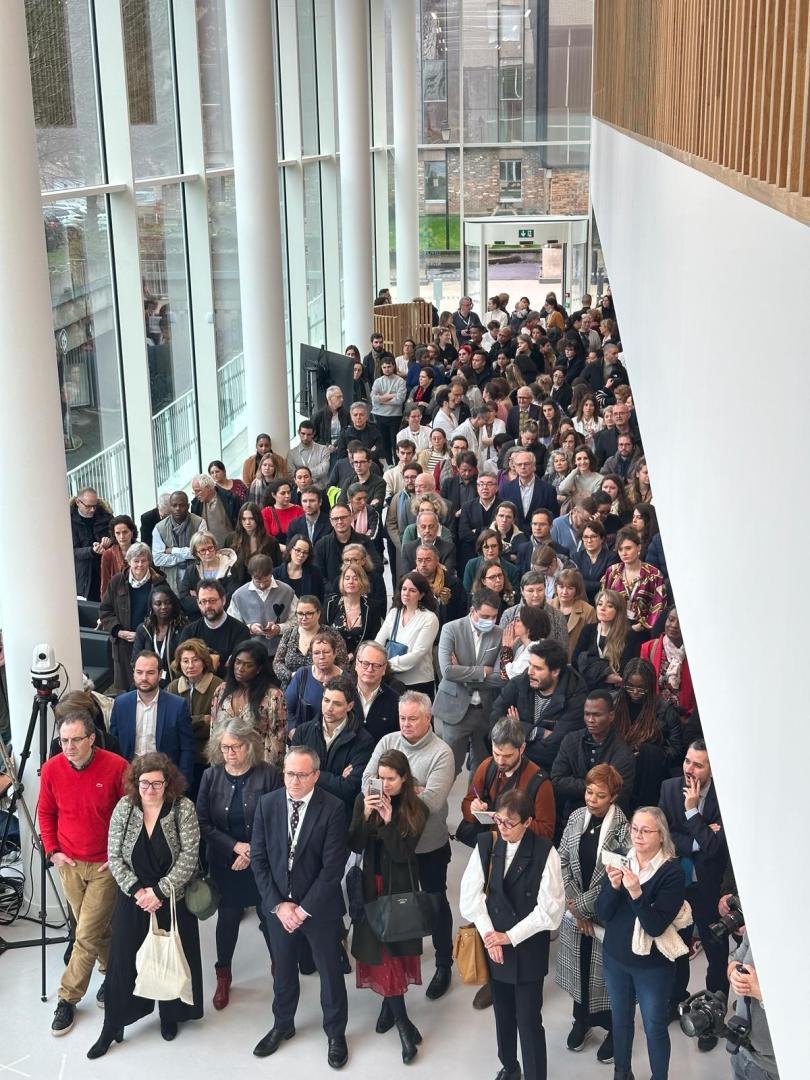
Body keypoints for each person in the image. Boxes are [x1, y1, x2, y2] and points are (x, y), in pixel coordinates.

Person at [86, 753, 203, 1058]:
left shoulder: (183, 809)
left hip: (171, 898)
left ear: (169, 783)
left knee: (173, 959)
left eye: (157, 783)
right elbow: (115, 856)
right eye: (144, 783)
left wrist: (160, 892)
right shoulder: (125, 808)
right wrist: (139, 891)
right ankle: (113, 1025)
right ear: (134, 783)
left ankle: (170, 1015)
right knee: (122, 963)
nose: (150, 789)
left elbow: (189, 858)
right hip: (134, 897)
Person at [250, 746, 350, 1069]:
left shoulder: (333, 809)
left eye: (301, 775)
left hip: (318, 910)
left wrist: (302, 910)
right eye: (289, 774)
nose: (293, 781)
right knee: (283, 970)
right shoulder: (268, 805)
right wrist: (279, 906)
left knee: (330, 973)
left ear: (316, 776)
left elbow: (333, 869)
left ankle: (335, 1033)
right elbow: (260, 860)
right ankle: (283, 1024)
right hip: (279, 908)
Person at [459, 787, 565, 1080]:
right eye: (499, 821)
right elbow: (470, 896)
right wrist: (490, 934)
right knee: (503, 1013)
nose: (503, 828)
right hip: (495, 943)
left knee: (529, 1019)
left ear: (528, 822)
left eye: (510, 823)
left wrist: (510, 936)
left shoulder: (546, 852)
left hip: (528, 946)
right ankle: (510, 1065)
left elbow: (551, 910)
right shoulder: (486, 843)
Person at [38, 709, 128, 1037]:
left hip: (105, 865)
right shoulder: (51, 769)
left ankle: (67, 998)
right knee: (98, 929)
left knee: (85, 933)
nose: (70, 746)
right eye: (64, 740)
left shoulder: (117, 766)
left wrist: (118, 857)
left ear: (91, 738)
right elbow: (46, 812)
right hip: (69, 864)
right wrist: (53, 851)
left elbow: (132, 815)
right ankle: (114, 972)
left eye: (77, 739)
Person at [363, 692, 455, 1000]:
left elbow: (433, 800)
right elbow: (367, 781)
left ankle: (444, 963)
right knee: (397, 904)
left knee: (435, 903)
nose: (406, 724)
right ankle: (399, 967)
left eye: (413, 718)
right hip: (390, 846)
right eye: (402, 717)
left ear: (428, 718)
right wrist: (410, 788)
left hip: (428, 845)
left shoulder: (441, 753)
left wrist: (393, 793)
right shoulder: (388, 742)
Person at [196, 717, 282, 1010]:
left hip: (262, 861)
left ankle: (279, 967)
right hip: (225, 862)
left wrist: (250, 853)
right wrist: (235, 848)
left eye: (235, 747)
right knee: (228, 920)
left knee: (269, 917)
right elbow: (203, 823)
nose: (229, 752)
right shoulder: (211, 776)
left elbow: (275, 819)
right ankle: (224, 975)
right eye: (224, 747)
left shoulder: (268, 774)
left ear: (249, 746)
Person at [349, 749, 429, 1063]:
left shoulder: (415, 808)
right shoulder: (363, 801)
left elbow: (402, 854)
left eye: (390, 779)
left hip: (400, 892)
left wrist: (386, 821)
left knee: (392, 956)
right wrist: (368, 817)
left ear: (404, 778)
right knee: (385, 957)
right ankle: (402, 1021)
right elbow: (354, 844)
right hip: (372, 888)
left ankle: (399, 1020)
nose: (384, 785)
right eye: (380, 778)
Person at [596, 806, 687, 1080]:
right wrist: (613, 888)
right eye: (635, 829)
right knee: (621, 1021)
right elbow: (603, 912)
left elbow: (655, 926)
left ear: (661, 835)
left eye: (646, 830)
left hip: (652, 966)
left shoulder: (672, 873)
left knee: (654, 1026)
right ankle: (621, 1073)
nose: (638, 835)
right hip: (616, 957)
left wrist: (635, 893)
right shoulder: (622, 860)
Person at [556, 764, 631, 1064]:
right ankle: (582, 1020)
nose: (592, 799)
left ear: (613, 796)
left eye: (600, 795)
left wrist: (581, 907)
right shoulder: (576, 817)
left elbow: (614, 881)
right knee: (580, 967)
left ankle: (615, 1029)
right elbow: (561, 858)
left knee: (607, 976)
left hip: (605, 914)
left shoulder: (624, 830)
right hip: (577, 915)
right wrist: (574, 904)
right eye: (589, 792)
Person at [659, 740, 730, 1039]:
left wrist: (691, 813)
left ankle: (711, 1017)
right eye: (688, 761)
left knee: (715, 955)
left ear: (712, 768)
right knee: (678, 948)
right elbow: (664, 835)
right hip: (679, 885)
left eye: (698, 764)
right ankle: (677, 1000)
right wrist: (700, 836)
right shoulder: (669, 787)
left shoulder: (725, 795)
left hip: (711, 889)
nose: (689, 769)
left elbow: (717, 849)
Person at [433, 589, 504, 776]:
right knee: (448, 769)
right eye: (484, 616)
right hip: (455, 711)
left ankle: (472, 805)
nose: (489, 621)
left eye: (494, 616)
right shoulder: (451, 629)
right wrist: (484, 672)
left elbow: (500, 678)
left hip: (485, 712)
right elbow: (447, 671)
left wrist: (463, 674)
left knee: (482, 771)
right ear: (473, 611)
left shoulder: (499, 633)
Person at [490, 640, 589, 771]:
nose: (530, 671)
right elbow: (494, 724)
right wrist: (539, 733)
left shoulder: (576, 696)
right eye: (530, 664)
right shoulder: (519, 683)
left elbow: (557, 749)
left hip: (551, 773)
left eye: (538, 668)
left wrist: (516, 729)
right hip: (512, 767)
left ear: (555, 672)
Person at [290, 675, 374, 820]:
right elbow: (293, 777)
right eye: (326, 700)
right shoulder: (302, 732)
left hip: (339, 815)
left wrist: (309, 773)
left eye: (337, 704)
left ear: (350, 706)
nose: (329, 708)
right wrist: (337, 779)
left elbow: (350, 789)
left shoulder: (363, 740)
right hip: (304, 809)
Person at [109, 651, 195, 784]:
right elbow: (113, 744)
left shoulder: (177, 705)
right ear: (133, 673)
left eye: (150, 673)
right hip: (129, 776)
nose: (144, 677)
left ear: (160, 674)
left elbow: (187, 748)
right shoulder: (121, 704)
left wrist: (182, 782)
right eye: (139, 672)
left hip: (166, 778)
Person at [551, 691, 637, 821]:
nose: (590, 720)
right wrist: (598, 790)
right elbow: (557, 780)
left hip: (608, 820)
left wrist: (578, 788)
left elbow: (619, 795)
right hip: (571, 817)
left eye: (597, 715)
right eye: (587, 714)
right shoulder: (571, 741)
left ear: (611, 716)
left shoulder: (623, 753)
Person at [612, 658, 684, 808]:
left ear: (650, 686)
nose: (635, 692)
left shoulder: (665, 711)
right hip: (616, 767)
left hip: (648, 775)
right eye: (630, 687)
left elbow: (676, 750)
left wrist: (647, 752)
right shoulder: (614, 703)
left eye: (641, 688)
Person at [99, 542, 167, 691]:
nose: (140, 565)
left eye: (144, 560)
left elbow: (167, 613)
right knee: (127, 688)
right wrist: (118, 631)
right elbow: (105, 610)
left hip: (150, 643)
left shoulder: (159, 583)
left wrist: (148, 633)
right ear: (129, 562)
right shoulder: (117, 581)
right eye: (136, 561)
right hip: (123, 644)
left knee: (149, 685)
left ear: (149, 561)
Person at [210, 641, 287, 769]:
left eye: (248, 665)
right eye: (238, 662)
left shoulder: (273, 696)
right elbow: (214, 732)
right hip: (225, 767)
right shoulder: (221, 691)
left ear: (259, 669)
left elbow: (277, 741)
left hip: (257, 768)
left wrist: (267, 775)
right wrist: (216, 769)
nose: (240, 668)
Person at [166, 638, 223, 797]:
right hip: (178, 757)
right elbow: (170, 725)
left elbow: (218, 726)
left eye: (195, 660)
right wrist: (201, 720)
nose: (190, 666)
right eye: (185, 661)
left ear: (205, 661)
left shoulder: (219, 686)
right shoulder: (173, 686)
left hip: (205, 757)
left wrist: (186, 724)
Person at [375, 573, 440, 696]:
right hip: (392, 680)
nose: (406, 593)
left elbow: (417, 654)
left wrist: (384, 666)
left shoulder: (429, 618)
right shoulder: (394, 613)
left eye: (412, 590)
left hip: (419, 682)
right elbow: (378, 643)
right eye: (404, 589)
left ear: (421, 595)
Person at [727, 933, 778, 1080]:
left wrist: (761, 993)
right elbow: (738, 957)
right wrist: (733, 974)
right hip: (742, 1048)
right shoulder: (761, 920)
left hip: (773, 1066)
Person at [226, 553, 297, 659]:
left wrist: (279, 628)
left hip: (281, 652)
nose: (262, 585)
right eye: (258, 581)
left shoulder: (287, 591)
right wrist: (250, 628)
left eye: (266, 581)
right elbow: (231, 625)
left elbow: (298, 620)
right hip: (250, 653)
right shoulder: (239, 595)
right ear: (251, 576)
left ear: (271, 573)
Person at [177, 579, 251, 678]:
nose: (208, 606)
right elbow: (181, 665)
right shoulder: (189, 631)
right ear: (198, 603)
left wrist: (201, 663)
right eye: (203, 601)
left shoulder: (240, 630)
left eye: (212, 601)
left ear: (223, 600)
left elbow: (238, 669)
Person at [573, 588, 642, 691]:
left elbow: (624, 670)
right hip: (587, 688)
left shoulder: (628, 635)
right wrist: (604, 675)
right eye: (600, 604)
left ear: (618, 611)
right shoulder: (588, 630)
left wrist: (592, 667)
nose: (602, 608)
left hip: (614, 691)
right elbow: (576, 661)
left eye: (609, 606)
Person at [273, 595, 347, 690]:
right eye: (300, 613)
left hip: (324, 688)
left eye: (309, 613)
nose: (304, 618)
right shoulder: (289, 633)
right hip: (291, 687)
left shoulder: (332, 634)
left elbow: (343, 663)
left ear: (319, 613)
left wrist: (329, 680)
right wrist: (293, 676)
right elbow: (277, 662)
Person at [313, 503, 382, 595]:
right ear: (331, 521)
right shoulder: (321, 545)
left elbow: (377, 567)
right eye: (335, 519)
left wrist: (359, 584)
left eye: (343, 517)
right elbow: (318, 576)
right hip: (333, 597)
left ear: (351, 517)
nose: (340, 521)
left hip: (361, 594)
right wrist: (338, 589)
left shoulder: (364, 541)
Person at [284, 630, 347, 731]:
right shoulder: (302, 674)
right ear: (311, 655)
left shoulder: (345, 679)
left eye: (326, 652)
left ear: (335, 653)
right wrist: (292, 730)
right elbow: (286, 707)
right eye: (316, 653)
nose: (321, 657)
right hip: (304, 735)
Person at [640, 606, 696, 718]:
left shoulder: (697, 654)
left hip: (686, 720)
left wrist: (690, 718)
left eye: (680, 622)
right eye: (671, 619)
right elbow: (642, 686)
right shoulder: (649, 648)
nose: (674, 625)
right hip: (656, 718)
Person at [131, 583, 187, 685]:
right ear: (151, 606)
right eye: (158, 603)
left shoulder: (183, 627)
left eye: (167, 603)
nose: (163, 607)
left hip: (175, 682)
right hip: (147, 680)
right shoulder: (143, 629)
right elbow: (135, 659)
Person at [324, 563, 382, 661]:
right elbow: (322, 633)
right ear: (342, 581)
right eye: (347, 578)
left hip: (361, 660)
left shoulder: (372, 607)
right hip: (332, 659)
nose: (351, 582)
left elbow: (374, 638)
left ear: (362, 581)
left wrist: (353, 656)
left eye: (355, 578)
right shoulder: (331, 603)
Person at [151, 491, 203, 594]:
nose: (178, 508)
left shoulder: (199, 523)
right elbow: (158, 559)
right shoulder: (159, 528)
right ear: (170, 506)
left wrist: (173, 550)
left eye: (182, 505)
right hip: (171, 581)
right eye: (174, 505)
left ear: (188, 506)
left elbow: (201, 552)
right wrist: (187, 554)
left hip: (197, 578)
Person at [177, 530, 238, 616]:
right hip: (198, 619)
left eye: (210, 548)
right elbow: (184, 598)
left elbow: (232, 595)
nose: (208, 553)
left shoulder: (229, 566)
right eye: (202, 550)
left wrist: (200, 599)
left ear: (215, 547)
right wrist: (213, 602)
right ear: (195, 553)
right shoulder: (191, 571)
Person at [354, 640, 402, 744]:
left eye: (376, 665)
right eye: (365, 663)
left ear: (384, 669)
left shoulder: (396, 701)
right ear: (357, 664)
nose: (370, 669)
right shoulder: (342, 695)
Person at [225, 502, 282, 589]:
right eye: (244, 519)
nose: (247, 522)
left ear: (258, 519)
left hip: (263, 587)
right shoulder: (231, 539)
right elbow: (224, 566)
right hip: (236, 588)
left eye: (251, 518)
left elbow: (277, 569)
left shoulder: (271, 542)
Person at [70, 487, 113, 601]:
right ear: (78, 502)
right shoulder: (69, 521)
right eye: (88, 506)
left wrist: (109, 540)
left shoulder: (106, 516)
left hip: (106, 568)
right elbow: (71, 551)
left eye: (95, 505)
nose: (93, 509)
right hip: (84, 574)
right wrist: (91, 550)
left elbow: (118, 535)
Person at [551, 568, 596, 657]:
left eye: (570, 588)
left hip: (575, 661)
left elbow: (592, 641)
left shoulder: (588, 610)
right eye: (561, 587)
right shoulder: (547, 606)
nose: (564, 592)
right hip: (550, 659)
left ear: (577, 590)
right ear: (556, 587)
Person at [190, 473, 240, 546]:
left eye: (198, 491)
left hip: (231, 546)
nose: (196, 494)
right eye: (194, 492)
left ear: (207, 487)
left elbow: (239, 523)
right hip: (209, 549)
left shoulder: (230, 499)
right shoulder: (195, 505)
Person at [273, 533, 325, 600]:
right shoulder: (275, 574)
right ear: (291, 549)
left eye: (305, 552)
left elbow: (320, 599)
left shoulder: (315, 573)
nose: (301, 555)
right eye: (298, 550)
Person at [573, 518, 614, 602]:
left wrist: (584, 583)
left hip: (604, 602)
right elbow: (575, 583)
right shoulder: (576, 557)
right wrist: (600, 584)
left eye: (593, 536)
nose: (589, 540)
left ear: (602, 539)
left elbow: (609, 584)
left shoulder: (612, 557)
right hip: (580, 602)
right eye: (585, 537)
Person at [100, 514, 138, 597]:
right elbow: (105, 584)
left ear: (132, 532)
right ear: (114, 534)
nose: (122, 536)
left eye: (125, 532)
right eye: (118, 533)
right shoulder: (108, 554)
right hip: (118, 600)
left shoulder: (141, 550)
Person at [286, 420, 331, 488]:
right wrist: (311, 477)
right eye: (303, 434)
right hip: (300, 491)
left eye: (309, 434)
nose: (305, 437)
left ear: (313, 434)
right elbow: (291, 474)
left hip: (320, 490)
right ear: (298, 432)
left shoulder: (323, 450)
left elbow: (323, 470)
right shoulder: (291, 453)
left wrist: (302, 477)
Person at [261, 478, 305, 543]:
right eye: (283, 493)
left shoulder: (299, 510)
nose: (287, 496)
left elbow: (304, 534)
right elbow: (266, 537)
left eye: (289, 492)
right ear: (273, 495)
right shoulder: (266, 512)